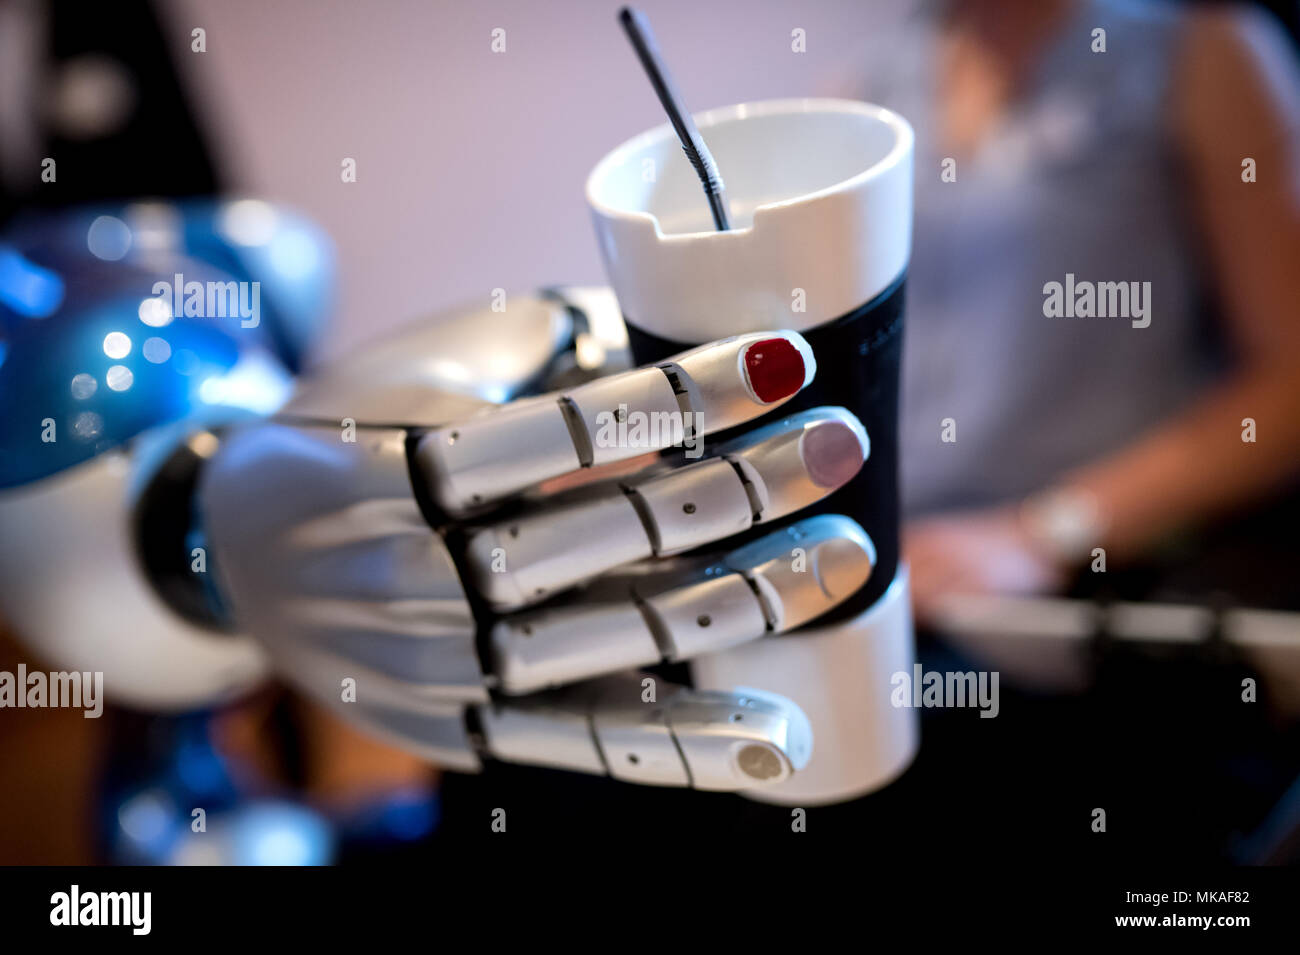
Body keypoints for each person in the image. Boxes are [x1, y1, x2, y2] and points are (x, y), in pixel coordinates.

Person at [840, 0, 1300, 621]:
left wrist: (1041, 534)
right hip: (903, 571)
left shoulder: (1200, 51)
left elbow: (1286, 386)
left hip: (1095, 583)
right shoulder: (869, 85)